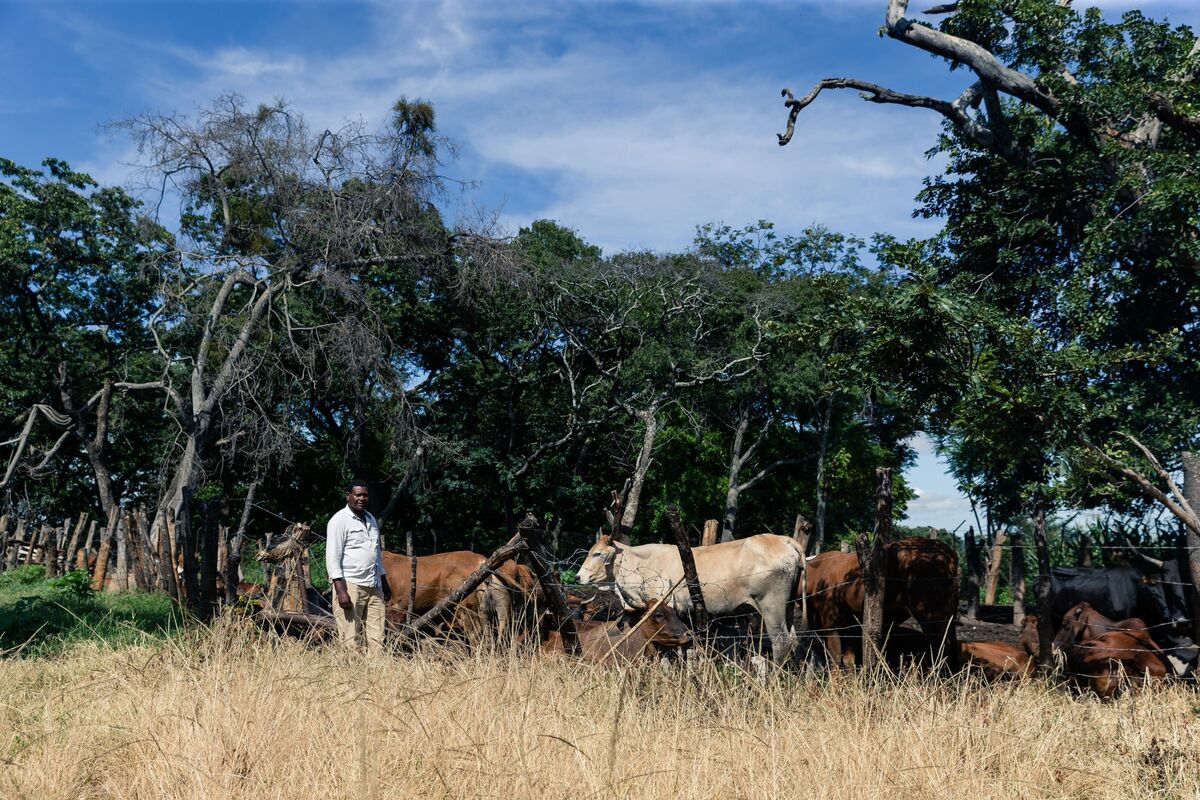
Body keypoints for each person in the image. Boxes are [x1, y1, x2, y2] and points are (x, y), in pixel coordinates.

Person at [326, 480, 391, 654]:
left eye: (365, 495)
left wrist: (384, 582)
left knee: (377, 637)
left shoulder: (370, 519)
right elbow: (333, 558)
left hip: (374, 585)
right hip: (351, 585)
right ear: (348, 496)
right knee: (350, 637)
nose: (362, 498)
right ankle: (351, 676)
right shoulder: (339, 520)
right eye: (358, 494)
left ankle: (375, 677)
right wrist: (341, 591)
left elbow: (376, 555)